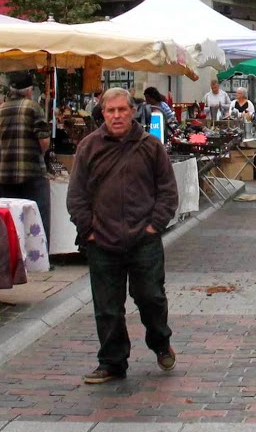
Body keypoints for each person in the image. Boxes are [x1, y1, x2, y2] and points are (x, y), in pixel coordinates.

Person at [68, 87, 180, 384]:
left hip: (144, 239)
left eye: (122, 110)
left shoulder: (150, 146)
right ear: (102, 113)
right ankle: (112, 362)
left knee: (151, 297)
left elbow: (168, 192)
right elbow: (76, 194)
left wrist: (154, 225)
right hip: (102, 240)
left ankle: (160, 342)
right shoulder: (89, 147)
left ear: (132, 111)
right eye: (110, 110)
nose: (116, 116)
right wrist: (88, 231)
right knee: (107, 307)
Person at [0, 73, 52, 229]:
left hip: (6, 177)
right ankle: (37, 253)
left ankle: (15, 253)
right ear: (29, 91)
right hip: (33, 175)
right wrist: (38, 155)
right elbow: (44, 140)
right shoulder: (33, 108)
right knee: (37, 223)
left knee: (12, 225)